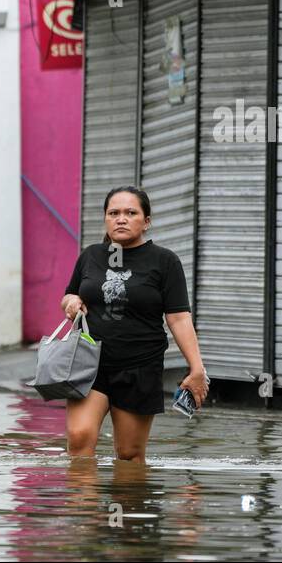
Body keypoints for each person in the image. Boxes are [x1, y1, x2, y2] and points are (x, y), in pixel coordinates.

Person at [60, 185, 209, 463]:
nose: (121, 218)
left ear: (146, 221)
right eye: (113, 212)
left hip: (140, 366)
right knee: (80, 439)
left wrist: (196, 367)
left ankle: (128, 504)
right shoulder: (90, 256)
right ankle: (82, 508)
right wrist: (69, 302)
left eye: (131, 212)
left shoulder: (165, 262)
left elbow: (178, 317)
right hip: (89, 364)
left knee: (129, 454)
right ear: (105, 218)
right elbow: (70, 293)